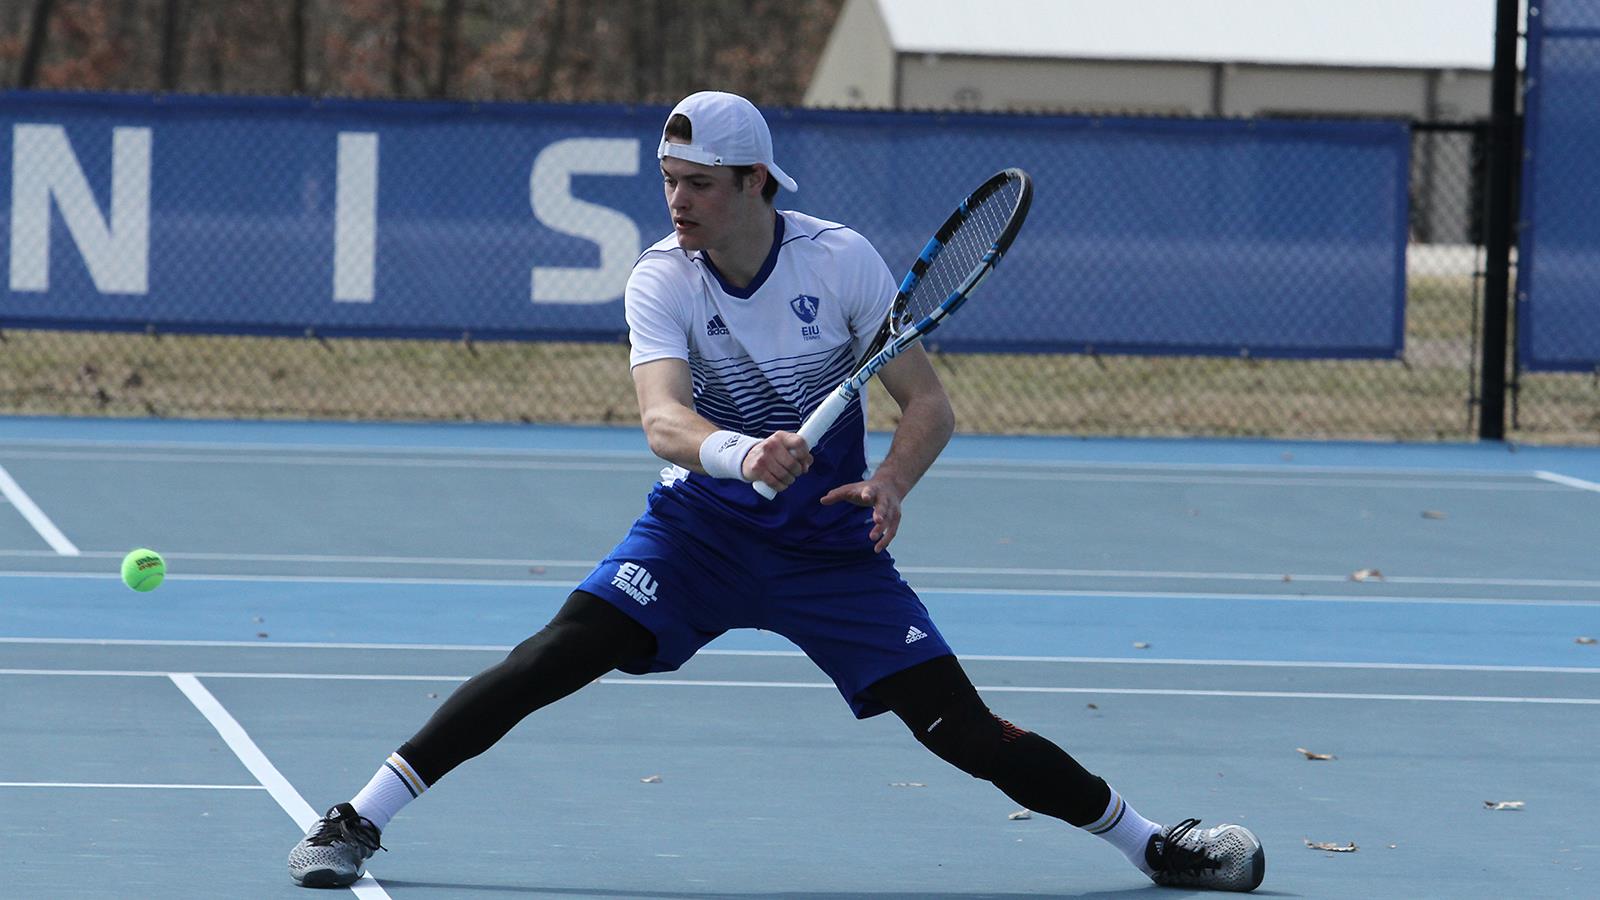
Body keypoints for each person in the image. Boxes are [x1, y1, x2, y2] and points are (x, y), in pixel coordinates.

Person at [287, 90, 1266, 893]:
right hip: (697, 536)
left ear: (755, 180)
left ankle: (1151, 846)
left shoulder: (837, 262)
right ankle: (356, 819)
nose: (678, 200)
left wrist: (888, 483)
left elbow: (926, 404)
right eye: (669, 181)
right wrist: (739, 456)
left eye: (699, 184)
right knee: (554, 654)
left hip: (827, 551)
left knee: (961, 730)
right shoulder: (662, 278)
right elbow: (662, 420)